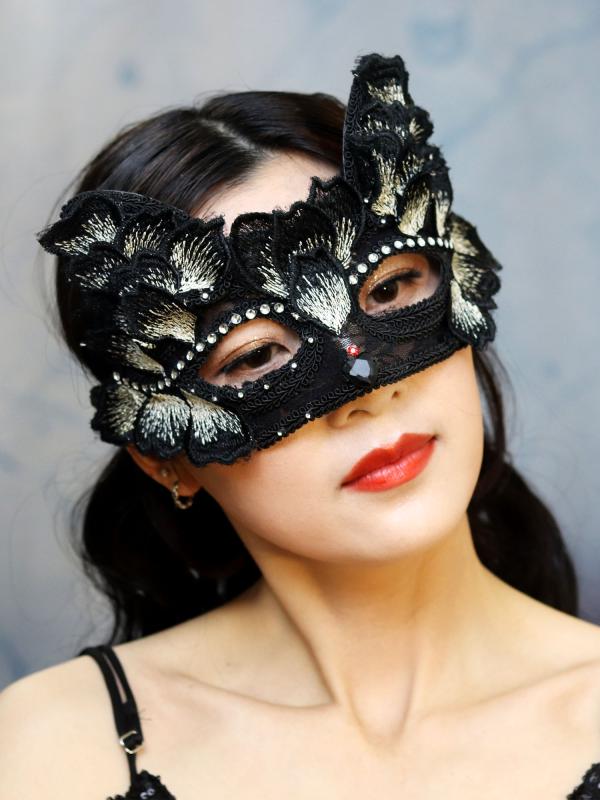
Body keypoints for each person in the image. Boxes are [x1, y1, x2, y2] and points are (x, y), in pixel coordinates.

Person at [0, 52, 599, 800]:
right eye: (255, 356)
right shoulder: (55, 750)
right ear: (164, 456)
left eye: (390, 290)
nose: (365, 389)